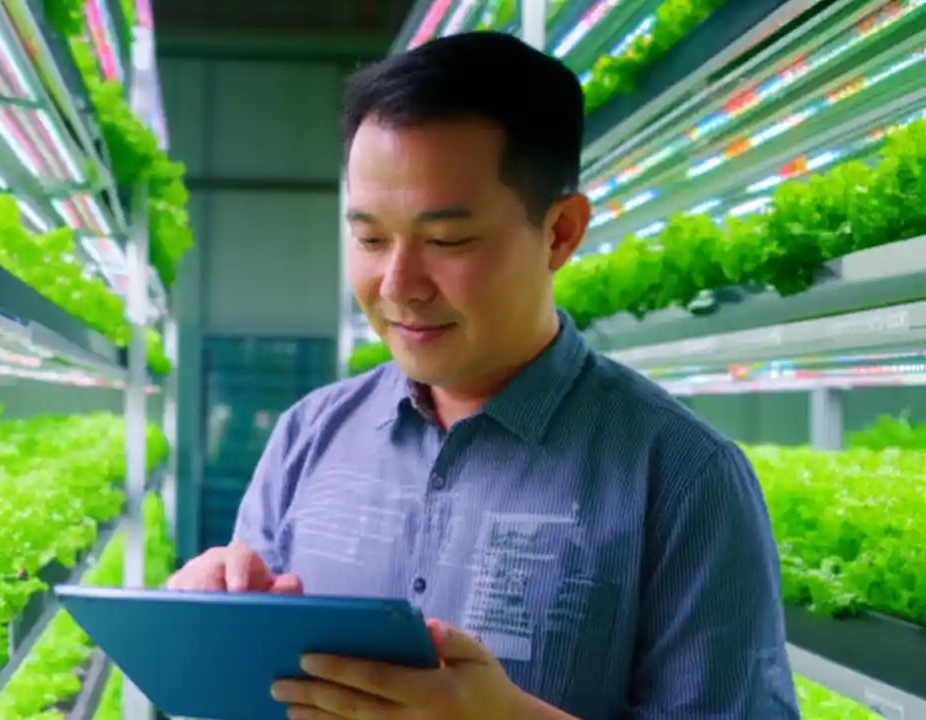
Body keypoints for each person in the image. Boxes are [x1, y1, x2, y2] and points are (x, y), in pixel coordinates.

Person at [166, 31, 801, 720]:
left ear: (559, 232)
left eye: (447, 241)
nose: (399, 285)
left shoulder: (683, 480)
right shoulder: (309, 436)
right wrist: (207, 631)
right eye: (371, 239)